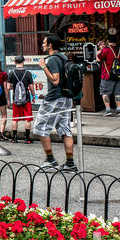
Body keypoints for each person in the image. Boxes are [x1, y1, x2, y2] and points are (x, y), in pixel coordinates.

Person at [33, 35, 76, 171]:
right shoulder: (64, 58)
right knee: (65, 128)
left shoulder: (51, 60)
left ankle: (50, 160)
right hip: (67, 98)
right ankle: (70, 164)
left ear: (50, 45)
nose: (42, 44)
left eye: (44, 42)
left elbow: (55, 80)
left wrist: (43, 66)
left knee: (41, 127)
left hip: (54, 98)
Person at [5, 55, 34, 144]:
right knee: (27, 119)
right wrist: (33, 96)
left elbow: (8, 87)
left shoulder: (11, 73)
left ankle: (14, 138)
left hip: (16, 100)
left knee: (15, 119)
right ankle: (27, 138)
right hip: (27, 99)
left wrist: (14, 88)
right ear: (23, 62)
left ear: (15, 62)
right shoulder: (28, 73)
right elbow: (31, 87)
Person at [97, 39, 120, 116]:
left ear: (108, 42)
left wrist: (97, 53)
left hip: (107, 75)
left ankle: (108, 110)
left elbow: (98, 59)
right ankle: (119, 110)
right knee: (118, 93)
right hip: (118, 76)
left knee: (105, 93)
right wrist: (118, 68)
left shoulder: (106, 50)